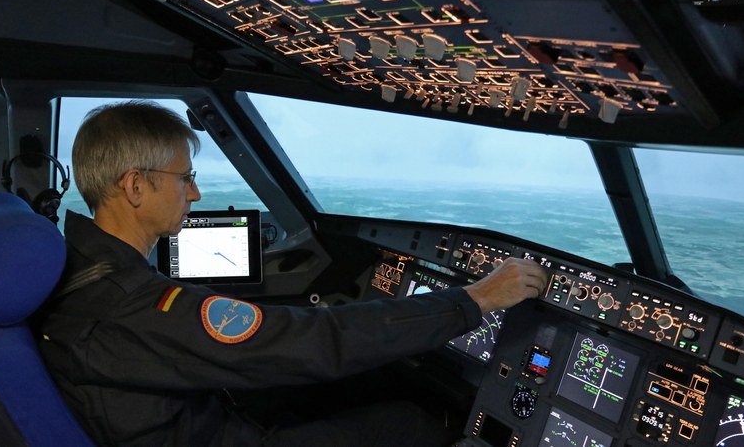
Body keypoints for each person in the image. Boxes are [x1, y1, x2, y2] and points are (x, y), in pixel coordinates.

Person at [35, 101, 549, 446]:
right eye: (185, 178)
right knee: (408, 421)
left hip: (195, 417)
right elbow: (311, 340)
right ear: (135, 186)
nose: (193, 193)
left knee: (354, 386)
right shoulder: (134, 303)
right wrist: (473, 299)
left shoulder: (81, 268)